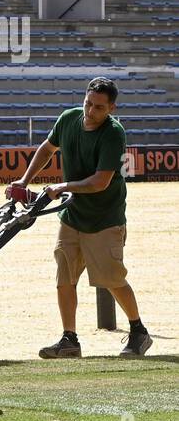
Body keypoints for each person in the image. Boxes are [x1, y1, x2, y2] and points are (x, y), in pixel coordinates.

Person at [10, 77, 151, 358]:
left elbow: (100, 181)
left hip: (104, 218)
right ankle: (69, 339)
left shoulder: (113, 133)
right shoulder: (68, 119)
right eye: (88, 103)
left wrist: (63, 187)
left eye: (99, 107)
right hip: (72, 215)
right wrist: (24, 181)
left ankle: (138, 331)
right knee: (65, 277)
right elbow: (47, 149)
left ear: (111, 107)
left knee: (112, 279)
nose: (90, 111)